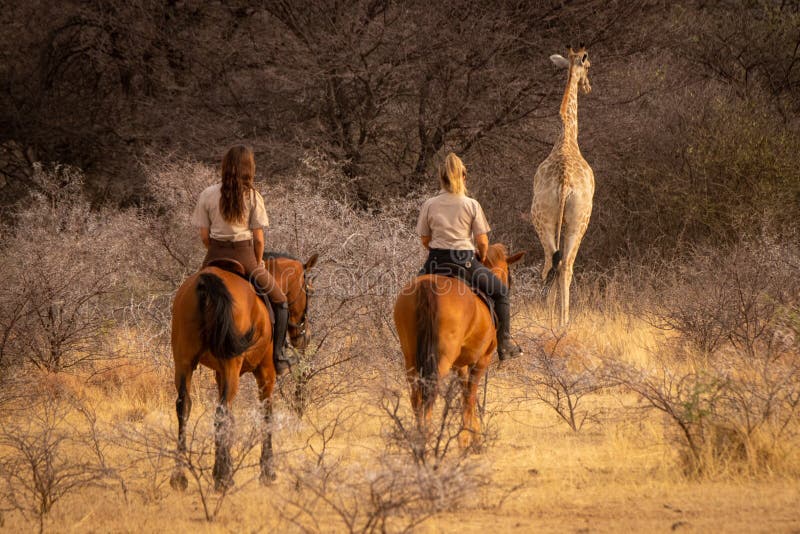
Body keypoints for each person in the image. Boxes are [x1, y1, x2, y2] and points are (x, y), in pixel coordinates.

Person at [191, 145, 295, 375]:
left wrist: (216, 251)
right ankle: (279, 356)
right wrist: (257, 263)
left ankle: (191, 350)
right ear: (249, 168)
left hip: (214, 255)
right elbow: (258, 239)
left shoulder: (207, 194)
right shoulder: (253, 197)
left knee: (193, 295)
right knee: (280, 301)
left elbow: (204, 236)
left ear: (225, 166)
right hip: (244, 256)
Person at [416, 152, 522, 360]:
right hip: (464, 262)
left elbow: (425, 239)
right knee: (501, 292)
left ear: (441, 178)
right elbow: (482, 242)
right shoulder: (471, 204)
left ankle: (413, 342)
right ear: (463, 177)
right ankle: (505, 343)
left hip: (435, 261)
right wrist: (481, 256)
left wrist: (439, 250)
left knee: (413, 294)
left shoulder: (429, 204)